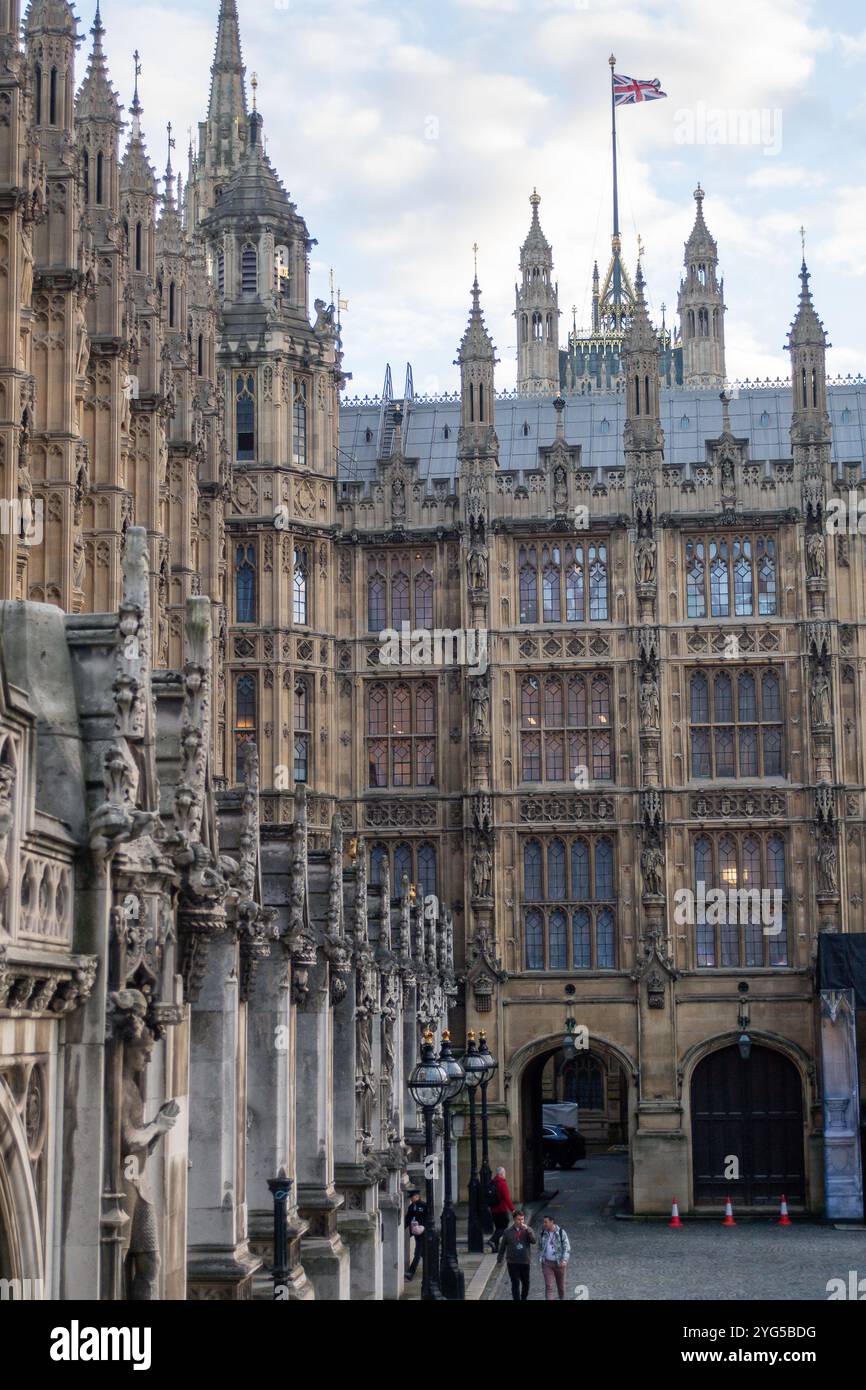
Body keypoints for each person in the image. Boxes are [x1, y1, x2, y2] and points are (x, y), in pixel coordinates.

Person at [496, 1209, 537, 1301]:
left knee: (526, 1283)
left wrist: (528, 1230)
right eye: (519, 1219)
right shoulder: (507, 1232)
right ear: (514, 1219)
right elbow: (502, 1247)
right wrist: (499, 1259)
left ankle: (523, 1298)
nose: (521, 1221)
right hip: (512, 1262)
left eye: (522, 1219)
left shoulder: (527, 1230)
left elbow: (534, 1241)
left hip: (524, 1261)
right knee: (515, 1283)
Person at [539, 1214, 571, 1300]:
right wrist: (542, 1258)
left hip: (559, 1263)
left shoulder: (561, 1232)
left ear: (552, 1222)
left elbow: (567, 1247)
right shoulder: (543, 1232)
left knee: (561, 1288)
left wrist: (564, 1260)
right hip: (547, 1263)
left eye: (546, 1222)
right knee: (549, 1286)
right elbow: (540, 1245)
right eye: (544, 1222)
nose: (544, 1224)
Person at [488, 1165, 514, 1252]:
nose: (505, 1175)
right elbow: (507, 1198)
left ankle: (495, 1248)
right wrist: (512, 1209)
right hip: (501, 1210)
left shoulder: (492, 1182)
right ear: (502, 1174)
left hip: (493, 1210)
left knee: (498, 1228)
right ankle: (492, 1240)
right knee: (504, 1227)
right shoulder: (502, 1183)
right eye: (504, 1173)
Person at [404, 1188, 427, 1282]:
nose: (411, 1199)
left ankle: (410, 1273)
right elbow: (408, 1219)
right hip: (415, 1232)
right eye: (411, 1197)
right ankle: (431, 1271)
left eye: (412, 1197)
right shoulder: (411, 1207)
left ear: (417, 1196)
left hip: (423, 1232)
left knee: (417, 1253)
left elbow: (429, 1218)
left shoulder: (424, 1205)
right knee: (423, 1253)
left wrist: (424, 1227)